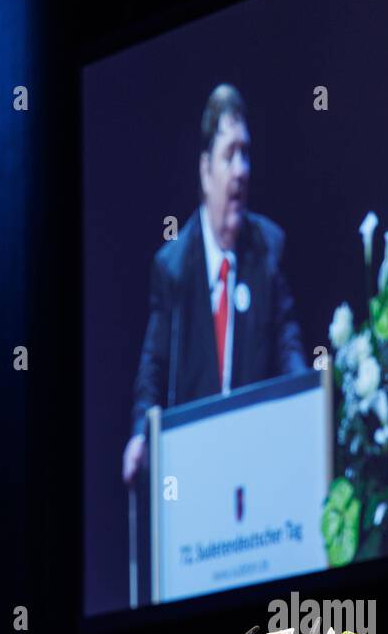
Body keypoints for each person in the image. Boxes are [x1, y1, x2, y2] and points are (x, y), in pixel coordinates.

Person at [123, 84, 306, 484]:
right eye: (229, 156)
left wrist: (305, 399)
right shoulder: (172, 267)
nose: (242, 169)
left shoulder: (268, 248)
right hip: (195, 469)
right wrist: (141, 433)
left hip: (258, 461)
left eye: (246, 154)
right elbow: (152, 368)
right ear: (206, 171)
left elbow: (288, 342)